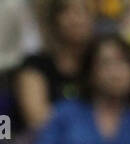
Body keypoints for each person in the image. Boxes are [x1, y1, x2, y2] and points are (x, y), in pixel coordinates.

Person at [11, 0, 94, 133]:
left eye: (83, 11)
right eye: (66, 11)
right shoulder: (35, 65)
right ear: (53, 21)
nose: (76, 19)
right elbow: (36, 120)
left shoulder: (98, 65)